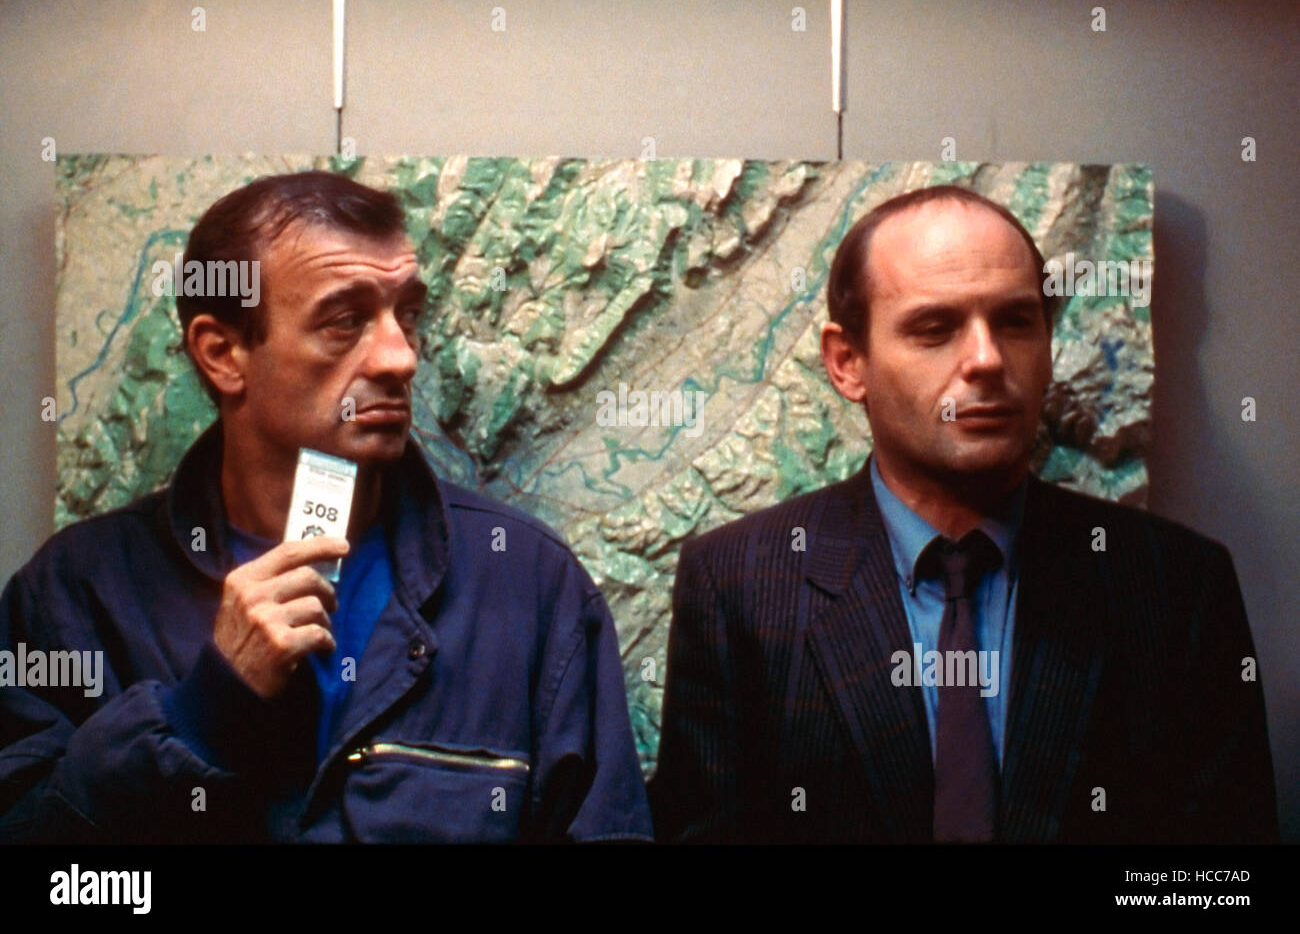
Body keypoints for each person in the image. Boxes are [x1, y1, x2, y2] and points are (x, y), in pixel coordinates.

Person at [0, 170, 652, 843]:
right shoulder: (75, 596)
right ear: (223, 353)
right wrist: (201, 712)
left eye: (407, 314)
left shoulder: (530, 586)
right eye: (346, 321)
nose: (400, 357)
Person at [649, 185, 1277, 843]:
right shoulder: (741, 585)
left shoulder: (1175, 585)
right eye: (935, 328)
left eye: (1015, 321)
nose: (986, 359)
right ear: (847, 362)